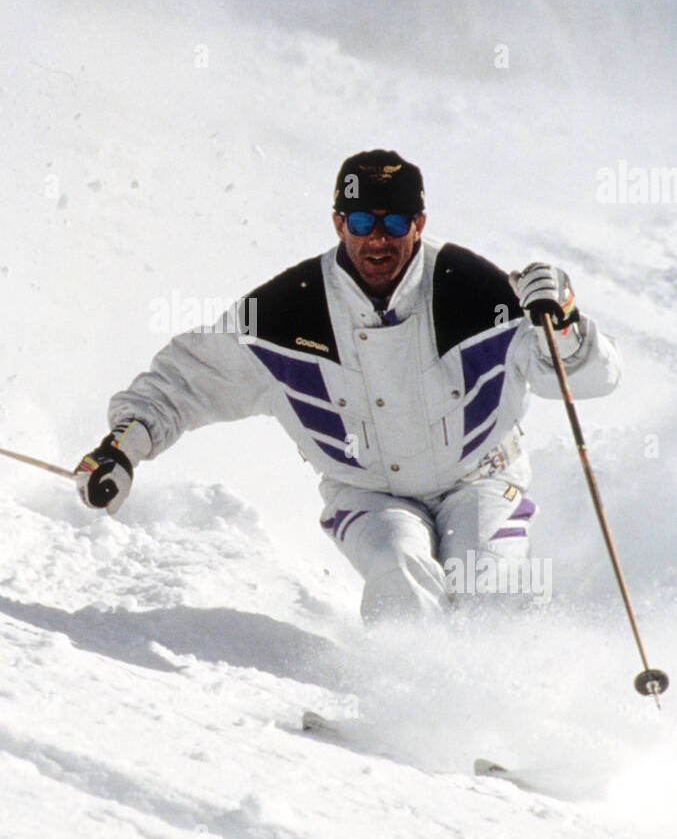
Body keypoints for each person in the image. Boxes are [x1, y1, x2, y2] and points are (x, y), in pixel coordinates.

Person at [74, 150, 622, 620]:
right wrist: (123, 448)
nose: (376, 241)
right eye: (360, 223)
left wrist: (566, 324)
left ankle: (502, 715)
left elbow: (593, 378)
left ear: (420, 223)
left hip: (478, 476)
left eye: (394, 224)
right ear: (338, 224)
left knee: (490, 583)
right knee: (397, 567)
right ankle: (406, 705)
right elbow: (186, 382)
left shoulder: (475, 289)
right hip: (367, 492)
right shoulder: (289, 311)